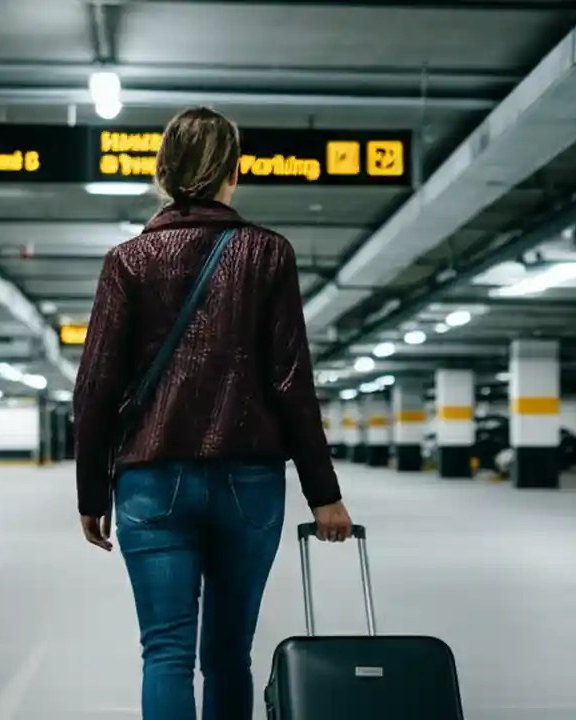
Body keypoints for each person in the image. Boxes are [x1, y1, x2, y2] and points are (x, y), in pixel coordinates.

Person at [73, 106, 353, 720]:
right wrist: (323, 494)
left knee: (166, 652)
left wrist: (91, 493)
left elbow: (95, 387)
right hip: (249, 480)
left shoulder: (127, 260)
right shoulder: (268, 253)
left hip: (150, 478)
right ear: (234, 172)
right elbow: (290, 383)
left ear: (162, 174)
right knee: (229, 654)